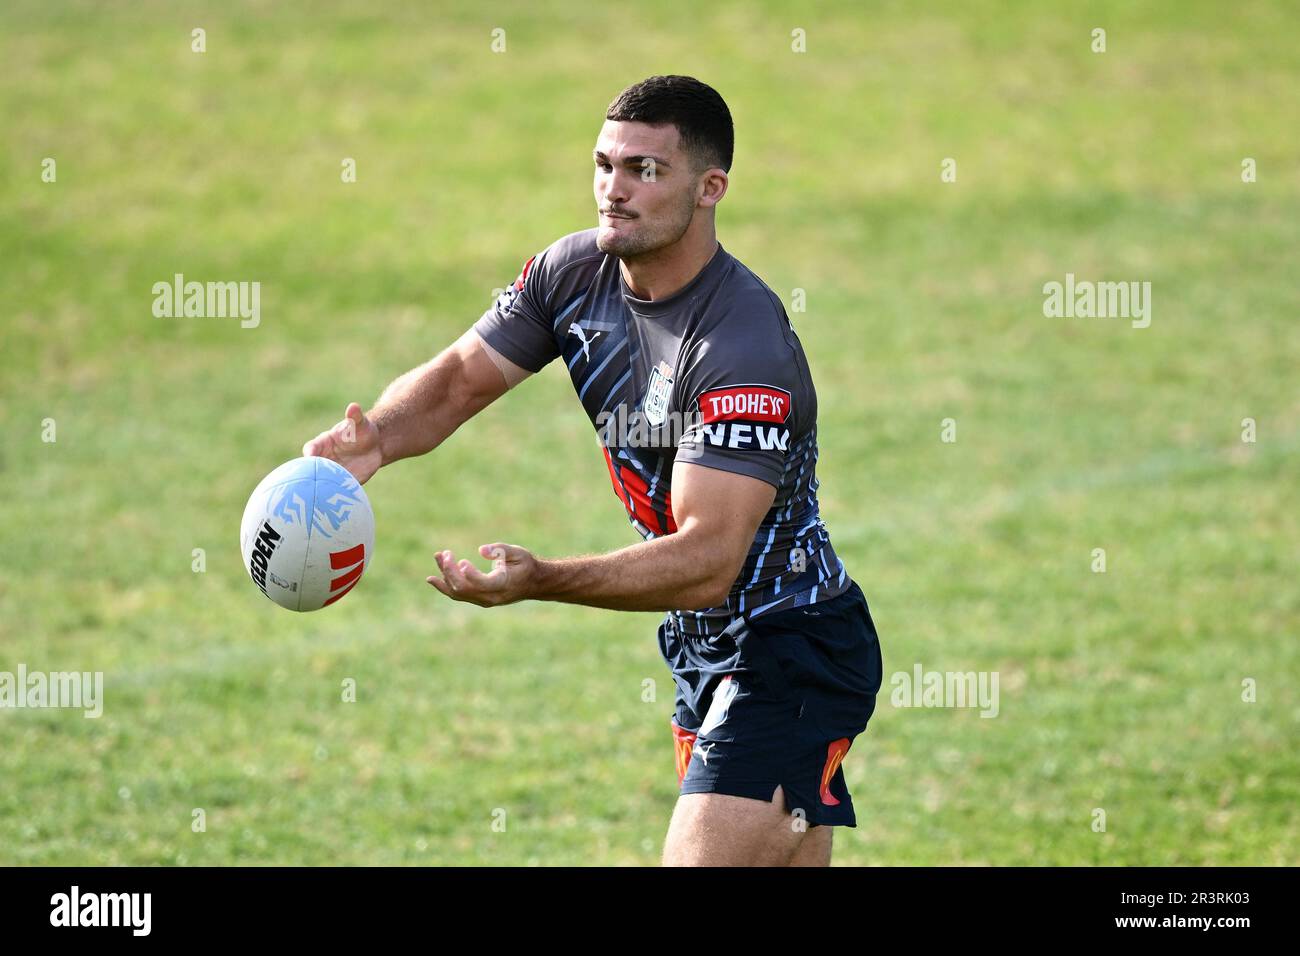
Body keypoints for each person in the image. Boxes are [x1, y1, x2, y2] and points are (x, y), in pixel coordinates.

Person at [303, 75, 883, 866]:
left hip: (789, 649)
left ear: (711, 188)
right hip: (705, 649)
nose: (614, 190)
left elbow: (709, 560)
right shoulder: (571, 276)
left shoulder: (741, 345)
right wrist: (375, 442)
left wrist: (541, 579)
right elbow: (460, 379)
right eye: (605, 165)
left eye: (646, 170)